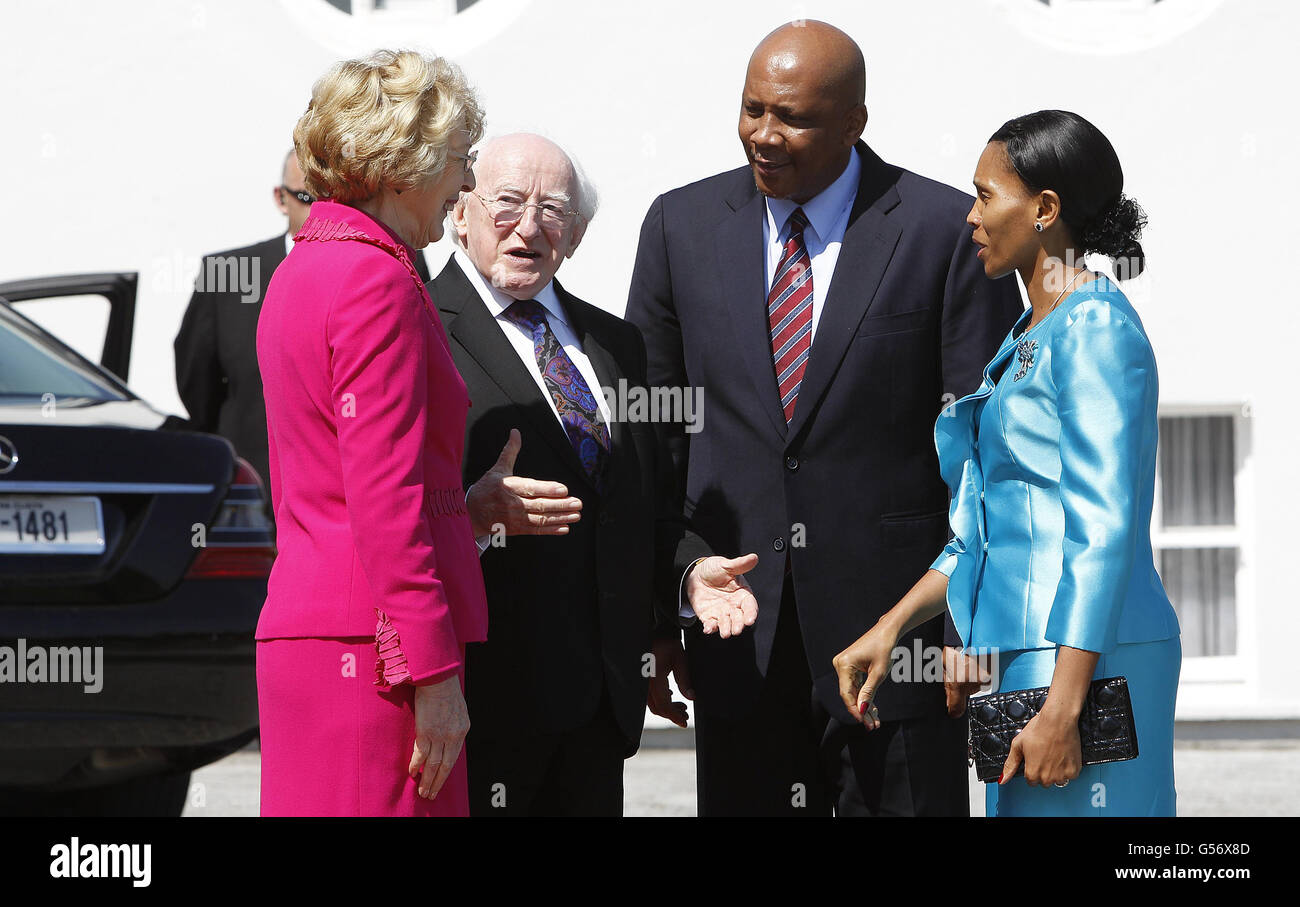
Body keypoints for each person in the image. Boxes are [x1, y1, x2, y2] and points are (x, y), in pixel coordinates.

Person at [625, 20, 1024, 816]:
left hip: (900, 645)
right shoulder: (680, 227)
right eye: (752, 110)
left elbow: (993, 452)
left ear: (854, 123)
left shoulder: (946, 232)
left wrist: (972, 622)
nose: (764, 136)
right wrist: (661, 607)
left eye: (793, 118)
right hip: (737, 637)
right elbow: (652, 443)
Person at [833, 110, 1182, 817]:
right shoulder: (1027, 333)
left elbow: (1103, 530)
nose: (971, 217)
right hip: (1034, 665)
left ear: (1045, 210)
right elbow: (984, 534)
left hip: (1089, 659)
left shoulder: (1095, 328)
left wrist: (1064, 701)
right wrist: (891, 627)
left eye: (986, 196)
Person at [429, 133, 759, 816]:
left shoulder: (616, 342)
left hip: (597, 710)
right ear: (461, 212)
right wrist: (471, 512)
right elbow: (389, 504)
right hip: (477, 700)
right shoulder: (419, 326)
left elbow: (643, 504)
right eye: (508, 203)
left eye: (553, 211)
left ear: (575, 235)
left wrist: (687, 576)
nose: (529, 226)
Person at [254, 49, 489, 816]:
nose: (468, 182)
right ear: (402, 167)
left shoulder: (303, 268)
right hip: (374, 654)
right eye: (460, 159)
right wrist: (435, 674)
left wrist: (465, 503)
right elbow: (382, 500)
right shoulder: (374, 278)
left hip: (313, 636)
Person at [174, 149, 430, 489]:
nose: (324, 211)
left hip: (356, 489)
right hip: (253, 490)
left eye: (335, 199)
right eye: (309, 198)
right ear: (281, 199)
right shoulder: (227, 273)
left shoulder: (395, 264)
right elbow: (197, 385)